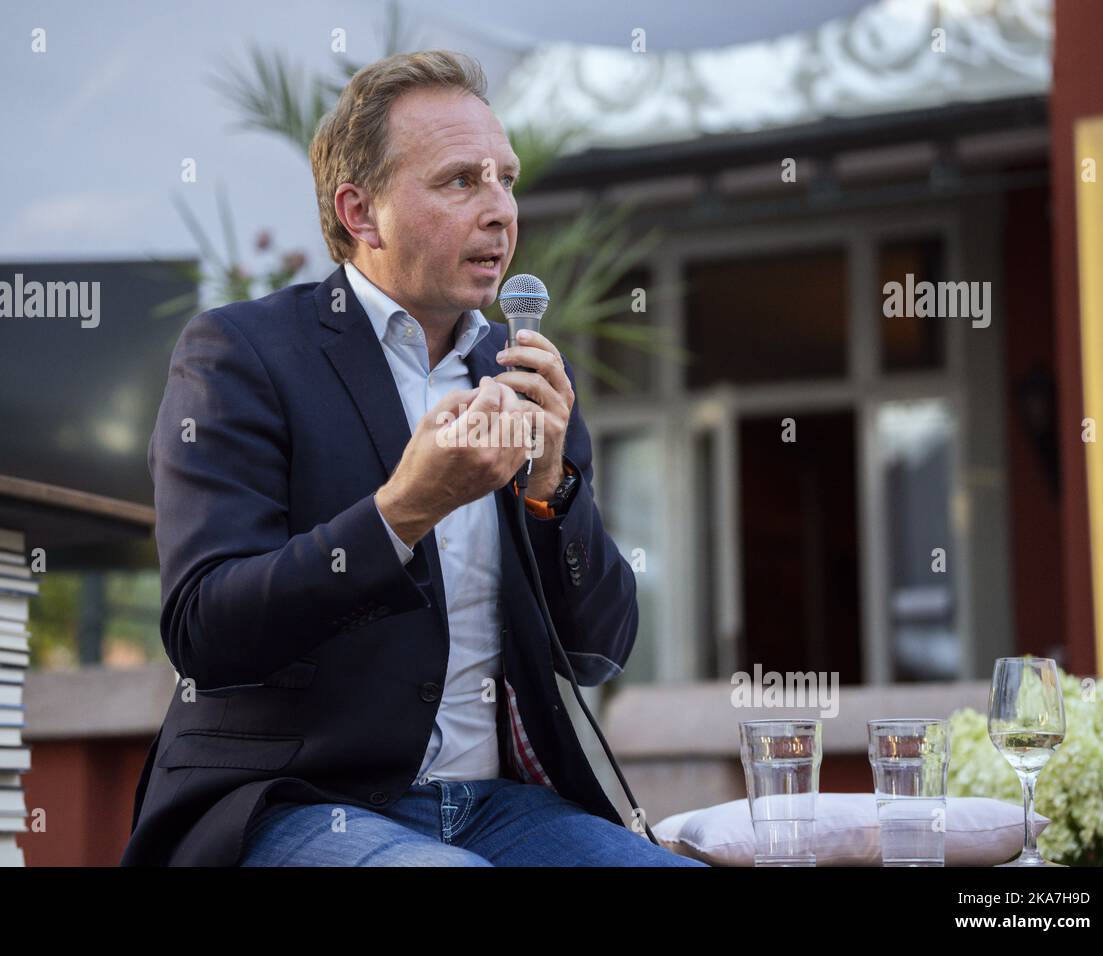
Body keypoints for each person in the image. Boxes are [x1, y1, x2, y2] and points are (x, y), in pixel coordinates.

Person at [120, 49, 704, 867]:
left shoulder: (525, 372)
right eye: (461, 181)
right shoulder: (242, 354)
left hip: (503, 806)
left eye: (506, 178)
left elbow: (598, 650)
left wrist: (552, 491)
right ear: (361, 213)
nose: (501, 210)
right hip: (295, 801)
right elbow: (206, 630)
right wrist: (402, 514)